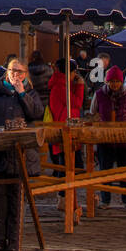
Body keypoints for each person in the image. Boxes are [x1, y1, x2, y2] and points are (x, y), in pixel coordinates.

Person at [0, 57, 43, 251]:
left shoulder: (29, 91)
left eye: (21, 72)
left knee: (17, 197)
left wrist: (22, 94)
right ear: (7, 71)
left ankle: (15, 239)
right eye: (14, 70)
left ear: (25, 75)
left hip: (20, 153)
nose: (17, 75)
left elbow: (36, 113)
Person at [92, 66, 126, 207]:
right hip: (105, 138)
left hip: (124, 138)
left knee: (125, 170)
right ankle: (106, 200)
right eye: (112, 81)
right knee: (105, 170)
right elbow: (93, 111)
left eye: (117, 81)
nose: (115, 84)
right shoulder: (99, 94)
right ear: (108, 81)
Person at [48, 57, 86, 186]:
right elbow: (77, 103)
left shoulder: (62, 84)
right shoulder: (61, 86)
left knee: (67, 164)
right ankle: (63, 196)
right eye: (74, 72)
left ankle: (65, 196)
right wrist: (80, 86)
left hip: (65, 127)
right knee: (67, 165)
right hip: (65, 129)